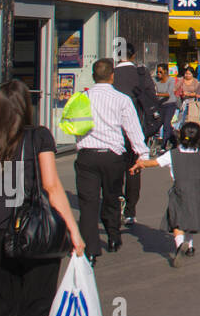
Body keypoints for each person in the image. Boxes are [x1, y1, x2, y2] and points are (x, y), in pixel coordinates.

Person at [0, 80, 85, 316]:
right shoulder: (39, 137)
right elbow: (51, 185)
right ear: (25, 107)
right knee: (37, 315)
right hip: (35, 235)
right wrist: (74, 231)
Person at [74, 59, 149, 261]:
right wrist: (142, 154)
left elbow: (73, 124)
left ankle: (91, 249)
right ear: (112, 76)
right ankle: (114, 236)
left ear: (93, 75)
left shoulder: (82, 98)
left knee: (88, 203)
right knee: (112, 196)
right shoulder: (122, 99)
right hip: (113, 155)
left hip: (87, 154)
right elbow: (132, 128)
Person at [130, 122, 200, 268]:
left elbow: (155, 163)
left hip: (179, 189)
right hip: (195, 189)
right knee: (191, 218)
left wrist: (141, 164)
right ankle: (190, 246)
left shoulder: (173, 154)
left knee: (177, 219)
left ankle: (180, 245)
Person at [114, 42, 159, 229]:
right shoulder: (141, 74)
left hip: (115, 130)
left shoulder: (111, 74)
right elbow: (152, 99)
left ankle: (117, 202)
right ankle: (130, 211)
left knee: (115, 169)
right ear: (133, 56)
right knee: (134, 168)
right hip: (138, 128)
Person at [153, 65, 178, 151]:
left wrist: (157, 94)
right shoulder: (155, 80)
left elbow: (168, 94)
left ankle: (163, 145)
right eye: (157, 72)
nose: (158, 74)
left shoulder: (171, 80)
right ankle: (175, 141)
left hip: (170, 104)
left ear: (166, 72)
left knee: (166, 124)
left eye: (161, 72)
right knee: (161, 124)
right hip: (160, 105)